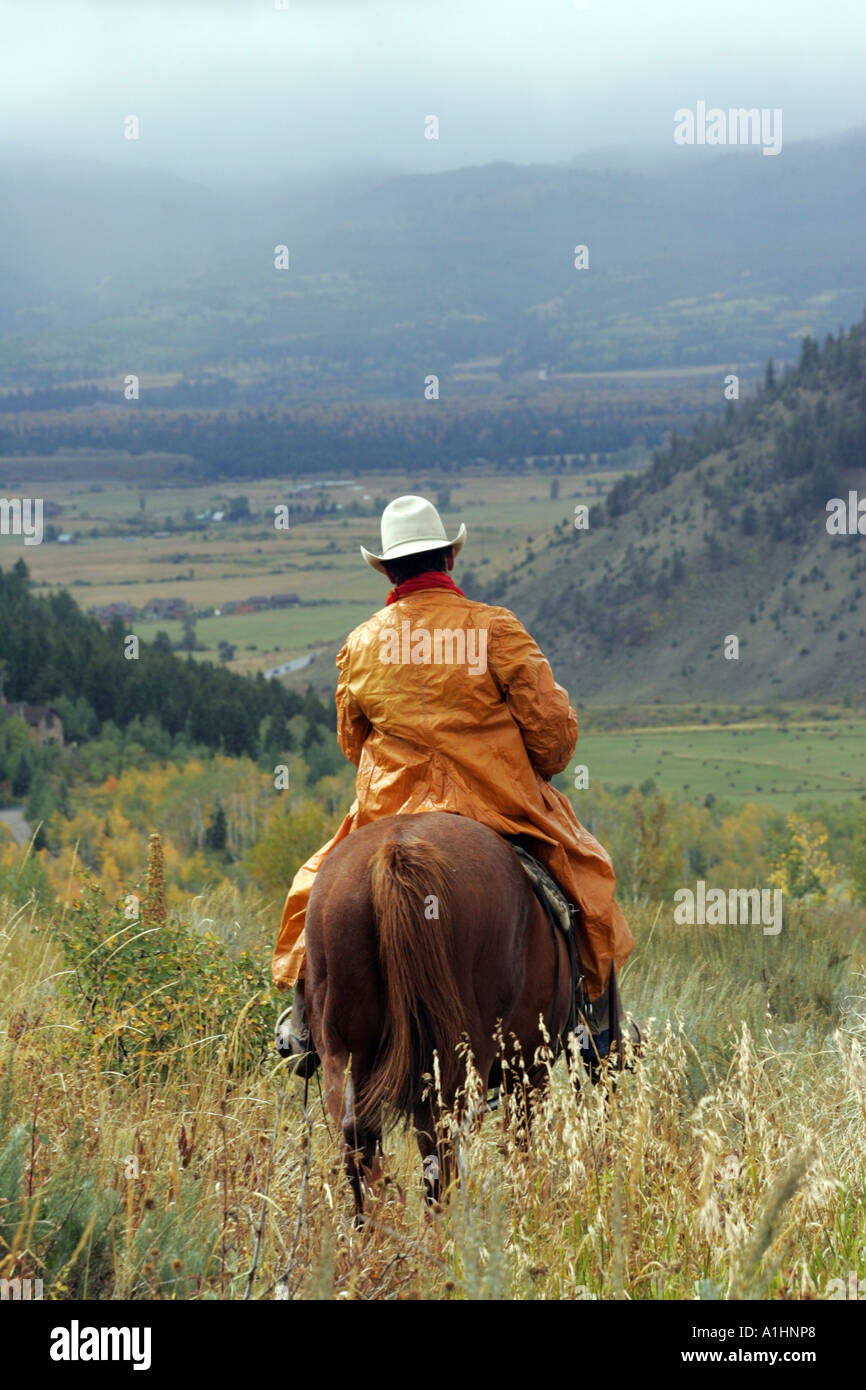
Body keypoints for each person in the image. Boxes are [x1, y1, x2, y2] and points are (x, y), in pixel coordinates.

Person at [273, 495, 636, 1075]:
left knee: (313, 887)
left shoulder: (362, 644)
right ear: (447, 557)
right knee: (587, 876)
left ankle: (305, 1023)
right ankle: (600, 1027)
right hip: (499, 806)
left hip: (389, 806)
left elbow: (352, 744)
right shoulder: (495, 629)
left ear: (388, 570)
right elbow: (554, 742)